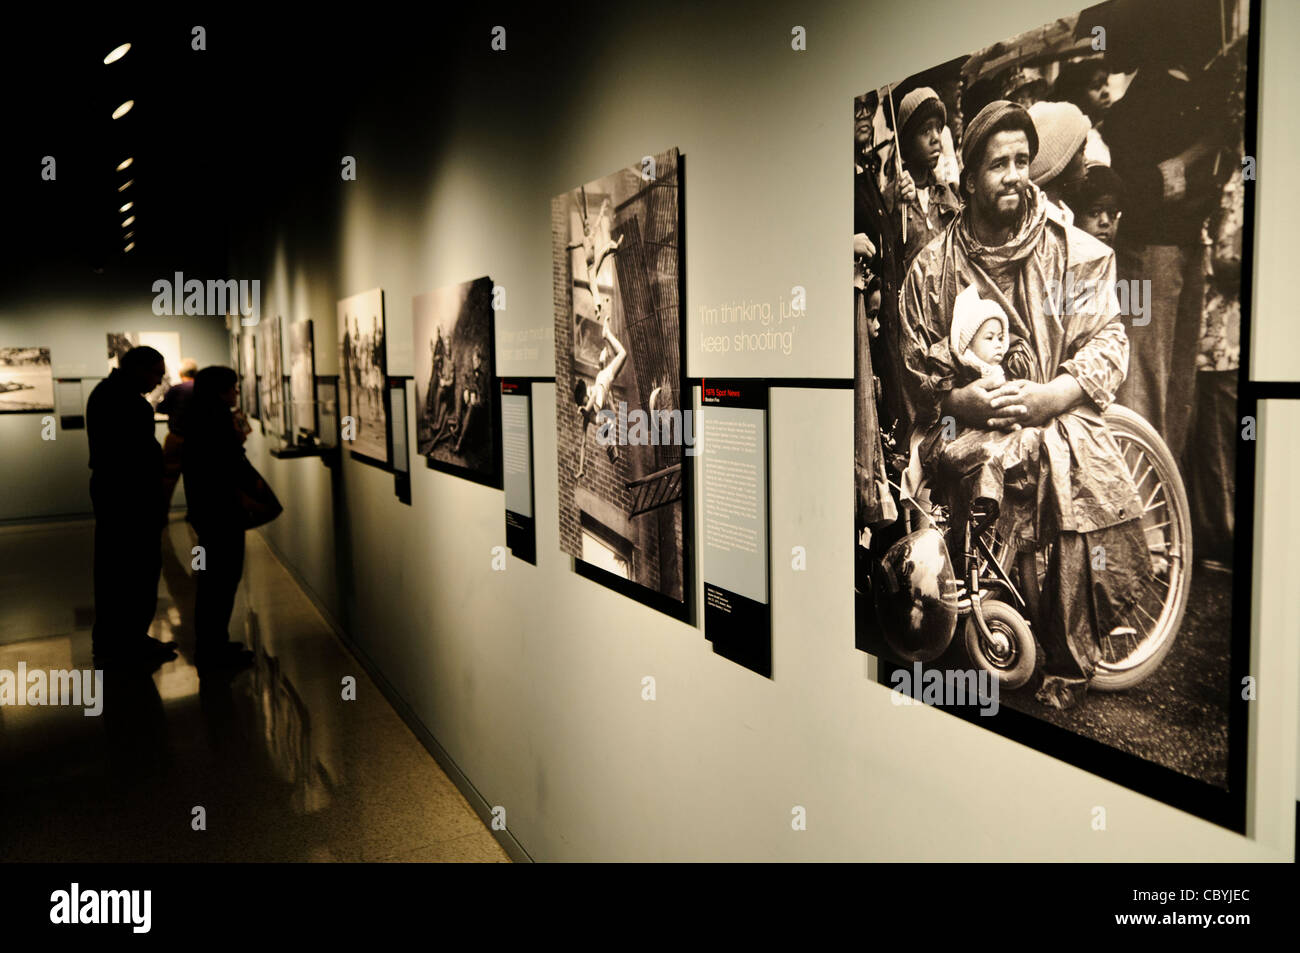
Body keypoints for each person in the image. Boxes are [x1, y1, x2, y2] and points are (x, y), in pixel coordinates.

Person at [899, 99, 1153, 711]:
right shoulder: (933, 267)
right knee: (978, 460)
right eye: (997, 164)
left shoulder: (1071, 251)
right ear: (969, 178)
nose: (1013, 175)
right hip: (966, 422)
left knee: (1054, 452)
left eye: (1021, 161)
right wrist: (960, 398)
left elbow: (1108, 340)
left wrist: (1050, 396)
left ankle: (1063, 641)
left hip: (1052, 409)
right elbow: (913, 367)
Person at [86, 346, 177, 667]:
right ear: (138, 369)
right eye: (156, 373)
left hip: (117, 493)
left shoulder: (106, 392)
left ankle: (120, 639)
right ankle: (129, 642)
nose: (159, 381)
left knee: (117, 569)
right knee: (134, 569)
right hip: (130, 498)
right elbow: (136, 456)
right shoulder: (125, 401)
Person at [179, 366, 255, 674]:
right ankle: (213, 651)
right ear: (221, 390)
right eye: (233, 388)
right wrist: (237, 438)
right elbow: (225, 463)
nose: (236, 392)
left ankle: (215, 645)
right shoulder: (215, 419)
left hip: (207, 511)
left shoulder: (196, 415)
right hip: (221, 512)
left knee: (214, 582)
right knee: (221, 580)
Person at [885, 86, 962, 270]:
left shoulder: (945, 193)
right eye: (926, 131)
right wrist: (897, 210)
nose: (936, 138)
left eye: (938, 128)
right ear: (907, 142)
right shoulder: (891, 198)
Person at [573, 322, 627, 479]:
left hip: (603, 381)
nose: (586, 401)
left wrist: (585, 409)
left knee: (622, 354)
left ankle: (606, 336)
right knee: (611, 416)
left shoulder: (590, 404)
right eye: (584, 402)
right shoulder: (588, 417)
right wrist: (581, 468)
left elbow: (596, 392)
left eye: (585, 401)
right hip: (604, 383)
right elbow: (583, 444)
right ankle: (605, 346)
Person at [1027, 101, 1091, 218]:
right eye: (1081, 151)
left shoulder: (1063, 213)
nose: (1086, 161)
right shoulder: (1042, 219)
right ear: (1060, 159)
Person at [1054, 56, 1114, 167]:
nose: (1106, 92)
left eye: (1106, 84)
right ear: (1076, 95)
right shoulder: (1077, 143)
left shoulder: (1101, 132)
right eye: (1096, 86)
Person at [159, 358, 198, 508]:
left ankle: (162, 514)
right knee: (196, 479)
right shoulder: (203, 389)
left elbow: (161, 408)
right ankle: (194, 512)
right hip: (197, 442)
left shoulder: (175, 390)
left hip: (176, 439)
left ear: (180, 373)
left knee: (168, 479)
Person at [1065, 165, 1127, 247]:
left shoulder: (1124, 259)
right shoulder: (1057, 256)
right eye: (1094, 213)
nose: (1105, 222)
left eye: (1112, 214)